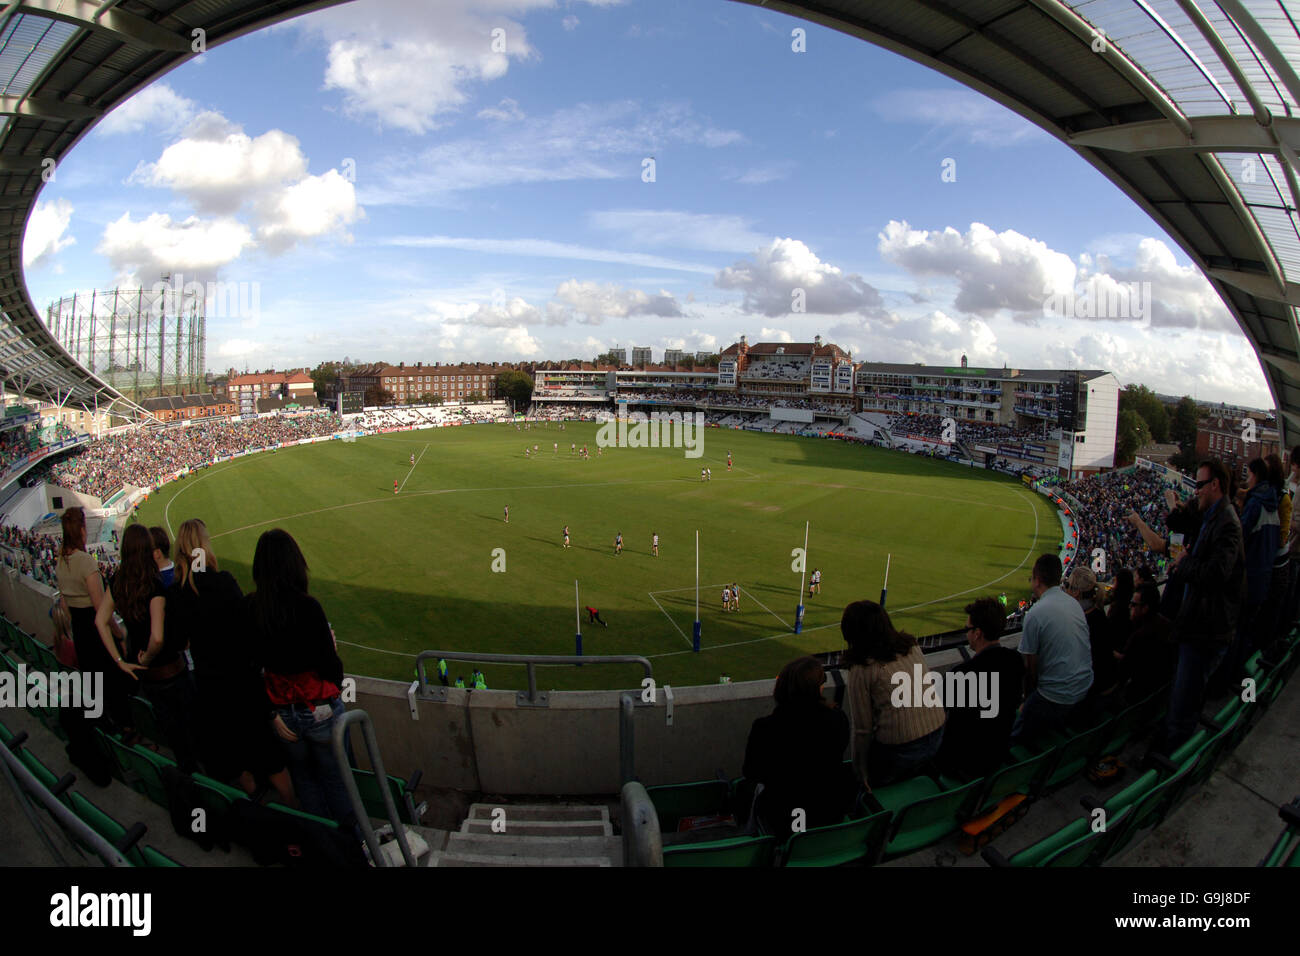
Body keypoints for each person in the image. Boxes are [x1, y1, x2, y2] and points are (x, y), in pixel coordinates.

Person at [167, 518, 291, 798]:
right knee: (268, 755)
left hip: (209, 685)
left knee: (236, 759)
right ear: (203, 545)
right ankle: (296, 814)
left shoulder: (177, 593)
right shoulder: (222, 582)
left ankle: (258, 808)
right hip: (241, 681)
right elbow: (247, 627)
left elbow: (178, 641)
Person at [244, 529, 354, 829]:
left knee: (305, 780)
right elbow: (332, 671)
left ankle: (322, 841)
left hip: (282, 713)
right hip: (318, 709)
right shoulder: (308, 607)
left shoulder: (252, 607)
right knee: (336, 780)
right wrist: (332, 649)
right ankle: (351, 843)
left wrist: (270, 712)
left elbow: (249, 668)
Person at [97, 524, 200, 771]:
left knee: (172, 732)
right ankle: (199, 780)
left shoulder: (118, 581)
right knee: (190, 729)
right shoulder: (153, 585)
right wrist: (146, 659)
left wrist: (120, 661)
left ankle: (189, 775)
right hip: (170, 670)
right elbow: (157, 637)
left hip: (149, 679)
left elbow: (100, 621)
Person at [1159, 460, 1245, 751]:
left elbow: (1216, 575)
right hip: (1198, 624)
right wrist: (1174, 505)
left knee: (1185, 703)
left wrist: (1184, 563)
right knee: (1184, 695)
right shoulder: (1211, 515)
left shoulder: (1228, 524)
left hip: (1205, 631)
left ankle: (1171, 764)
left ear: (1215, 485)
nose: (1194, 491)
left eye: (1198, 485)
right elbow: (1179, 523)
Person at [742, 656, 854, 836]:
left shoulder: (765, 727)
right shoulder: (837, 718)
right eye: (822, 681)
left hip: (783, 821)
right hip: (830, 813)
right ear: (817, 689)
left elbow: (751, 773)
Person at [841, 600, 945, 791]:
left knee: (869, 785)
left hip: (902, 747)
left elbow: (862, 730)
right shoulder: (911, 645)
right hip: (937, 731)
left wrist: (860, 771)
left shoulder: (862, 669)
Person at [934, 597, 1024, 780]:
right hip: (997, 754)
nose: (966, 633)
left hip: (961, 765)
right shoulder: (1015, 661)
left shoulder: (962, 675)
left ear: (977, 633)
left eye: (968, 629)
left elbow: (937, 718)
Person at [57, 507, 130, 728]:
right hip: (95, 630)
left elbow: (64, 604)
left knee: (95, 683)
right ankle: (126, 730)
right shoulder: (85, 561)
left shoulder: (61, 561)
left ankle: (105, 728)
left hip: (80, 631)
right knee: (114, 684)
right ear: (81, 529)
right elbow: (101, 608)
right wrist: (119, 634)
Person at [1011, 554, 1093, 749]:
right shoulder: (1074, 604)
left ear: (1037, 580)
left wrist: (1027, 703)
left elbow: (1030, 671)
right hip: (1084, 686)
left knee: (1015, 733)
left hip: (1057, 696)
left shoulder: (1036, 614)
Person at [1115, 582, 1176, 702]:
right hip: (1162, 690)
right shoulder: (1167, 624)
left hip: (1141, 695)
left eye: (1133, 604)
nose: (1129, 607)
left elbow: (1124, 670)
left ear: (1145, 608)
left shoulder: (1140, 636)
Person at [1065, 566, 1118, 703]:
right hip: (1109, 683)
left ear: (1076, 592)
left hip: (1095, 693)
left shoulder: (1080, 623)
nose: (1065, 588)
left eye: (1067, 585)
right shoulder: (1099, 613)